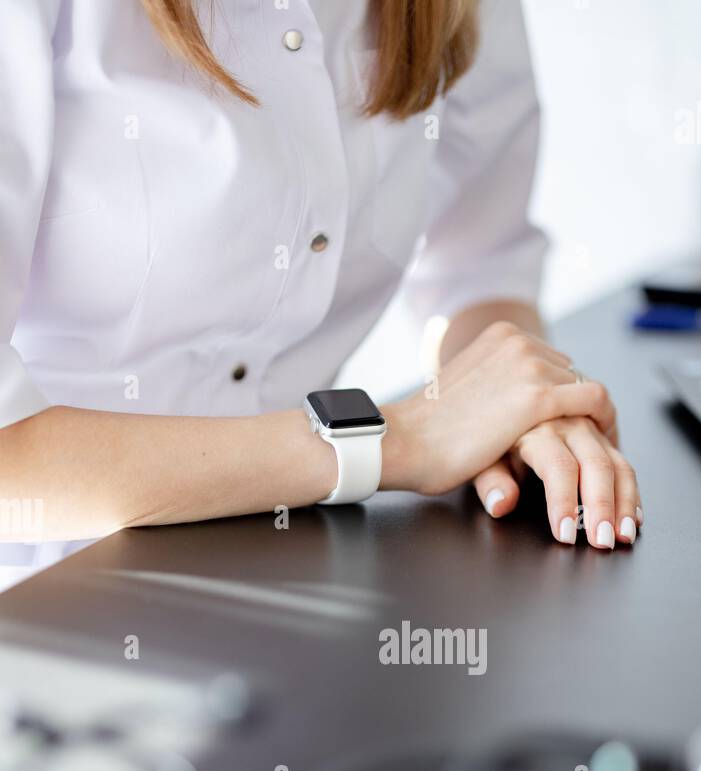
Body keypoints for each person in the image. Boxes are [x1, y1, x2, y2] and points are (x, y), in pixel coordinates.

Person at [0, 0, 642, 566]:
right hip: (37, 600)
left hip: (300, 554)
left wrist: (523, 410)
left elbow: (481, 260)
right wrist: (403, 439)